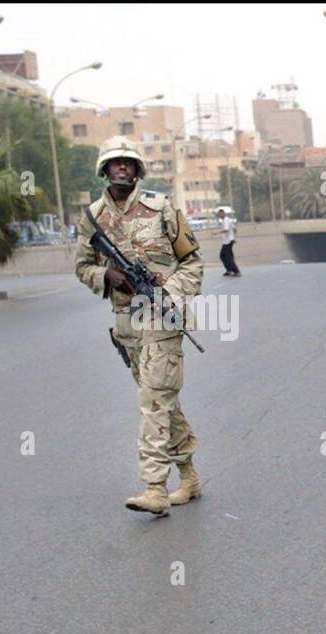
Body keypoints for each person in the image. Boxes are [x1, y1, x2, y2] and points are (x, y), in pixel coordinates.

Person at [74, 136, 205, 516]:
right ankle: (190, 476)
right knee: (163, 400)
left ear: (137, 169)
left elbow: (193, 262)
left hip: (161, 320)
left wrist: (168, 293)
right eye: (115, 162)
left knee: (153, 401)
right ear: (104, 169)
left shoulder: (161, 208)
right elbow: (82, 266)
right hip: (126, 325)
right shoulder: (93, 217)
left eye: (128, 162)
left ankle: (154, 488)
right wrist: (107, 276)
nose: (121, 167)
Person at [216, 208, 240, 277]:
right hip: (228, 241)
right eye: (219, 214)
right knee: (224, 256)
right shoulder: (227, 220)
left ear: (223, 213)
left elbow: (226, 229)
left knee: (227, 257)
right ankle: (229, 270)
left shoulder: (226, 220)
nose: (220, 215)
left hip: (228, 241)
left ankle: (236, 271)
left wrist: (217, 232)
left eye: (221, 214)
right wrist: (233, 237)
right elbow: (234, 228)